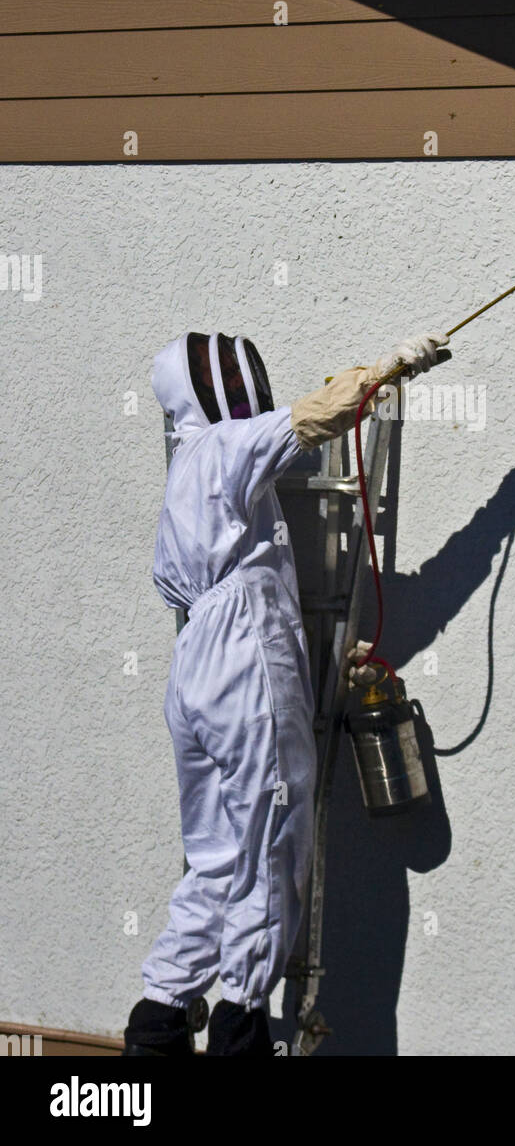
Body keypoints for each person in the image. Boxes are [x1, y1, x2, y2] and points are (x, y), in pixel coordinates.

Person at [122, 329, 446, 1057]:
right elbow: (314, 417)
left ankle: (158, 1023)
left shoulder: (187, 463)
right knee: (272, 843)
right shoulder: (225, 449)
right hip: (239, 657)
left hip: (195, 663)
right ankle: (241, 1025)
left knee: (215, 854)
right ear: (212, 388)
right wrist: (395, 365)